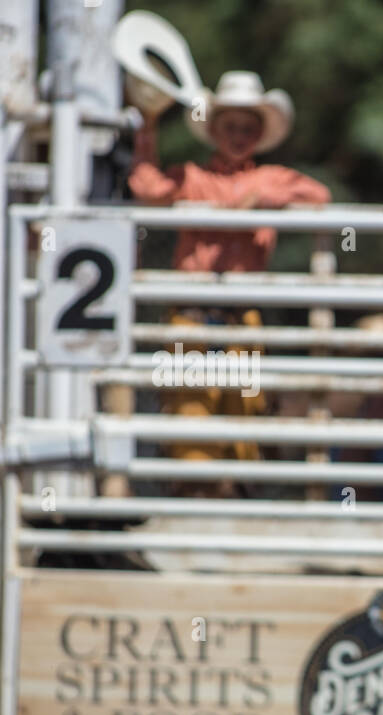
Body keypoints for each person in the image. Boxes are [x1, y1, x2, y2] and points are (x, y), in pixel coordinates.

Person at [128, 70, 330, 495]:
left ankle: (229, 493)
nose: (239, 135)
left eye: (248, 128)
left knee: (243, 411)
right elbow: (145, 187)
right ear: (215, 130)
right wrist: (147, 124)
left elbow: (319, 196)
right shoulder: (191, 177)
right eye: (231, 127)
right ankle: (194, 493)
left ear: (259, 134)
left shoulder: (270, 179)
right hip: (191, 310)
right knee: (189, 412)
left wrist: (262, 200)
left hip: (241, 314)